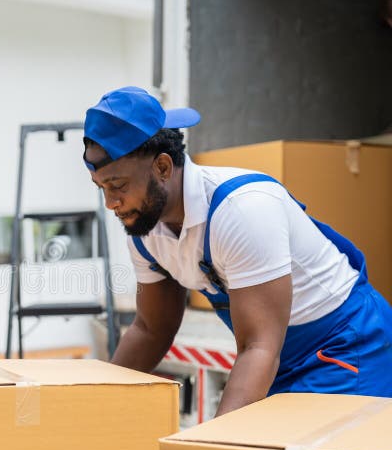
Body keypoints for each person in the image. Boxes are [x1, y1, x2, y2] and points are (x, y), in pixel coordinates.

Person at [82, 86, 392, 417]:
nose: (110, 203)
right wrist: (97, 409)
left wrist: (214, 446)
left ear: (162, 167)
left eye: (118, 186)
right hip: (276, 355)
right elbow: (150, 330)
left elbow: (258, 346)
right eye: (101, 188)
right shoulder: (145, 232)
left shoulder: (242, 209)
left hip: (346, 345)